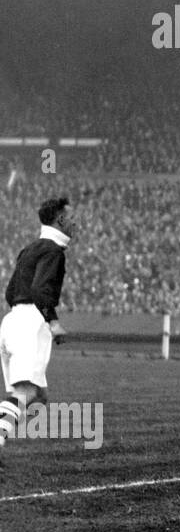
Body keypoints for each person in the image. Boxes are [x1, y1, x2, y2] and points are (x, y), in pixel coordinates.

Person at [0, 196, 74, 463]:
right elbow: (41, 291)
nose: (75, 222)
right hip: (30, 322)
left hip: (11, 321)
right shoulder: (53, 251)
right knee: (25, 393)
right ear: (61, 219)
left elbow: (10, 292)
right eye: (72, 217)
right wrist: (52, 322)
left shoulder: (29, 249)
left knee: (39, 394)